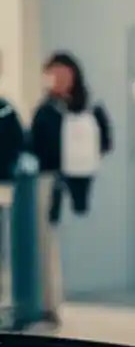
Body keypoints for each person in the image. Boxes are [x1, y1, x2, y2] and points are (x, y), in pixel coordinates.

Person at [30, 52, 112, 225]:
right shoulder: (44, 112)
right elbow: (37, 147)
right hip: (51, 185)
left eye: (63, 75)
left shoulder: (92, 110)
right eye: (53, 75)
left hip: (85, 181)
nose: (58, 80)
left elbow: (106, 143)